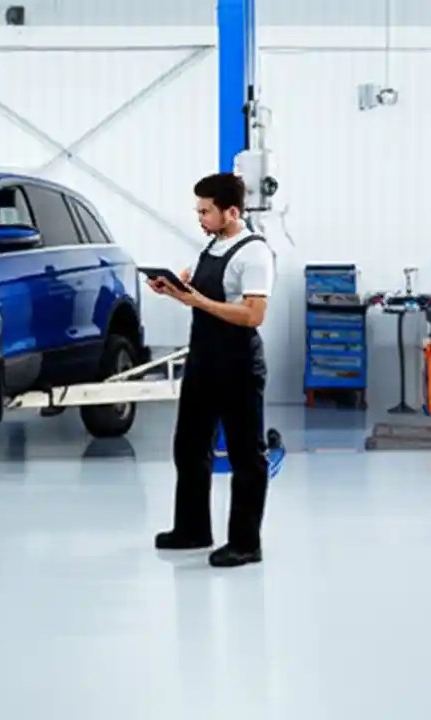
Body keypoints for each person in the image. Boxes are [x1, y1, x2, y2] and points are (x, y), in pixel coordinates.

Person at [148, 172, 274, 568]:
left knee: (245, 456)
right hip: (203, 360)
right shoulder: (212, 244)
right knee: (188, 446)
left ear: (231, 211)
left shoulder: (254, 254)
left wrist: (198, 301)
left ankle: (245, 543)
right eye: (198, 210)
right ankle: (192, 529)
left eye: (205, 211)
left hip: (238, 365)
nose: (199, 217)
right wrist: (172, 290)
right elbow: (196, 294)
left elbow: (254, 315)